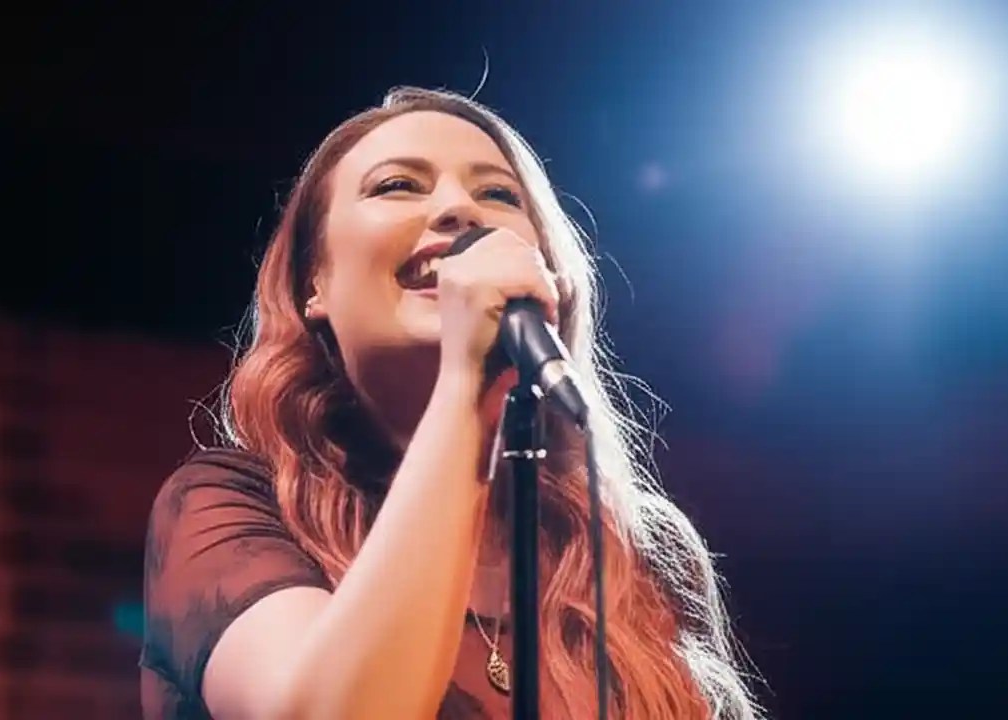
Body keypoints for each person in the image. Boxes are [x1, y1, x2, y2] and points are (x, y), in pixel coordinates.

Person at [140, 86, 760, 720]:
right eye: (397, 186)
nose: (459, 209)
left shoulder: (631, 558)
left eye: (499, 195)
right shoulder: (228, 506)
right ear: (313, 284)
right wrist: (465, 385)